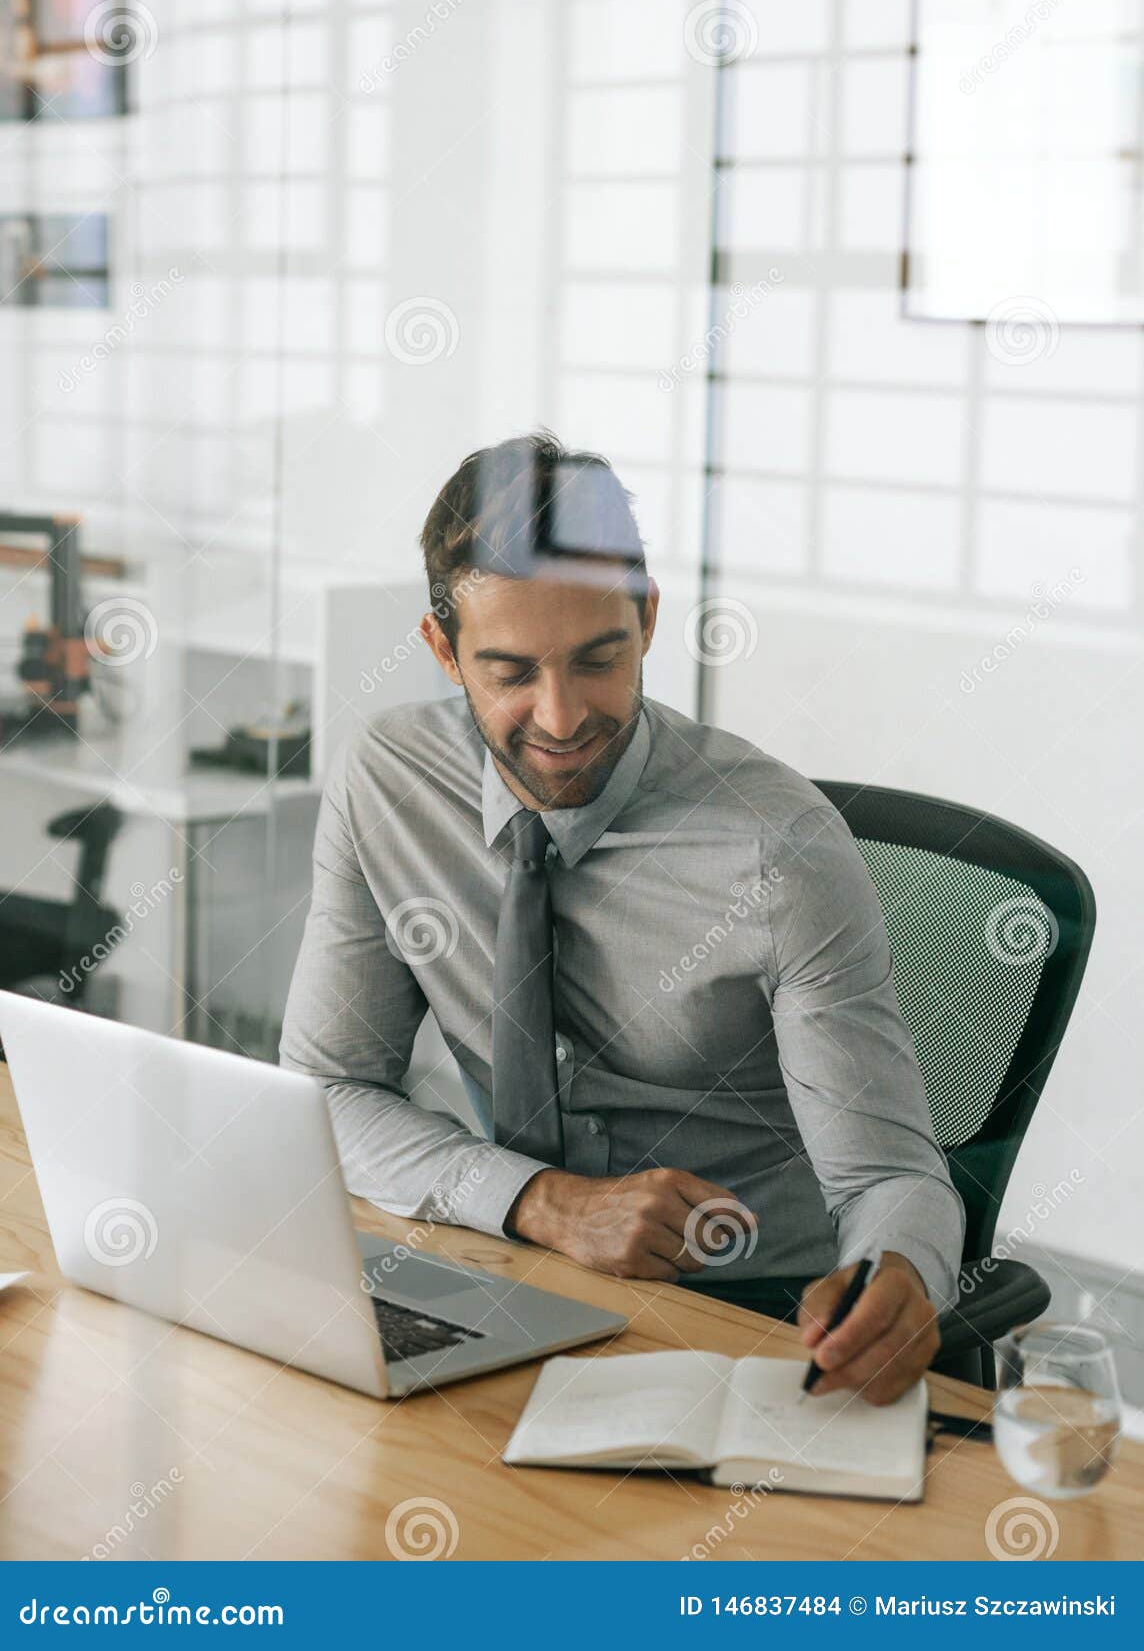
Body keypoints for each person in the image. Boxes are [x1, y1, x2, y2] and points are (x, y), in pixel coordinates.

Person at [280, 430, 964, 1405]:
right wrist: (545, 1203)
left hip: (753, 1313)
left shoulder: (778, 849)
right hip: (515, 1269)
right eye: (510, 673)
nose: (561, 718)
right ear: (442, 650)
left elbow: (889, 1179)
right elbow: (327, 1091)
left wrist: (894, 1274)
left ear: (645, 618)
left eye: (597, 660)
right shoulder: (388, 782)